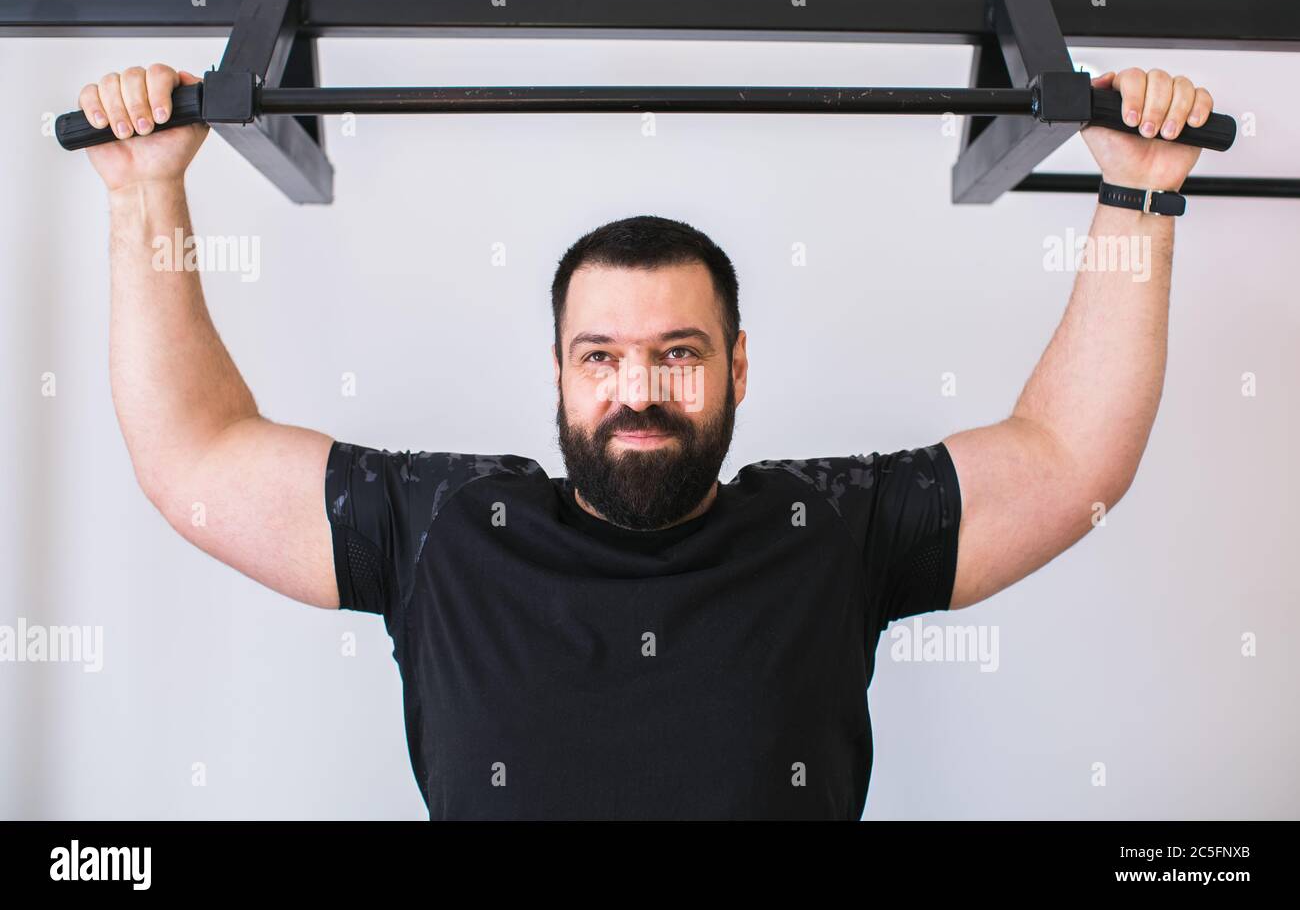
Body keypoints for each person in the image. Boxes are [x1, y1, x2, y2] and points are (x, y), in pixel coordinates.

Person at [77, 63, 1214, 819]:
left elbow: (1070, 458)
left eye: (677, 352)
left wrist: (1141, 195)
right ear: (559, 374)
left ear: (737, 366)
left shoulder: (831, 527)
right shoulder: (442, 525)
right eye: (601, 356)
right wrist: (144, 195)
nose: (639, 392)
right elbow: (196, 457)